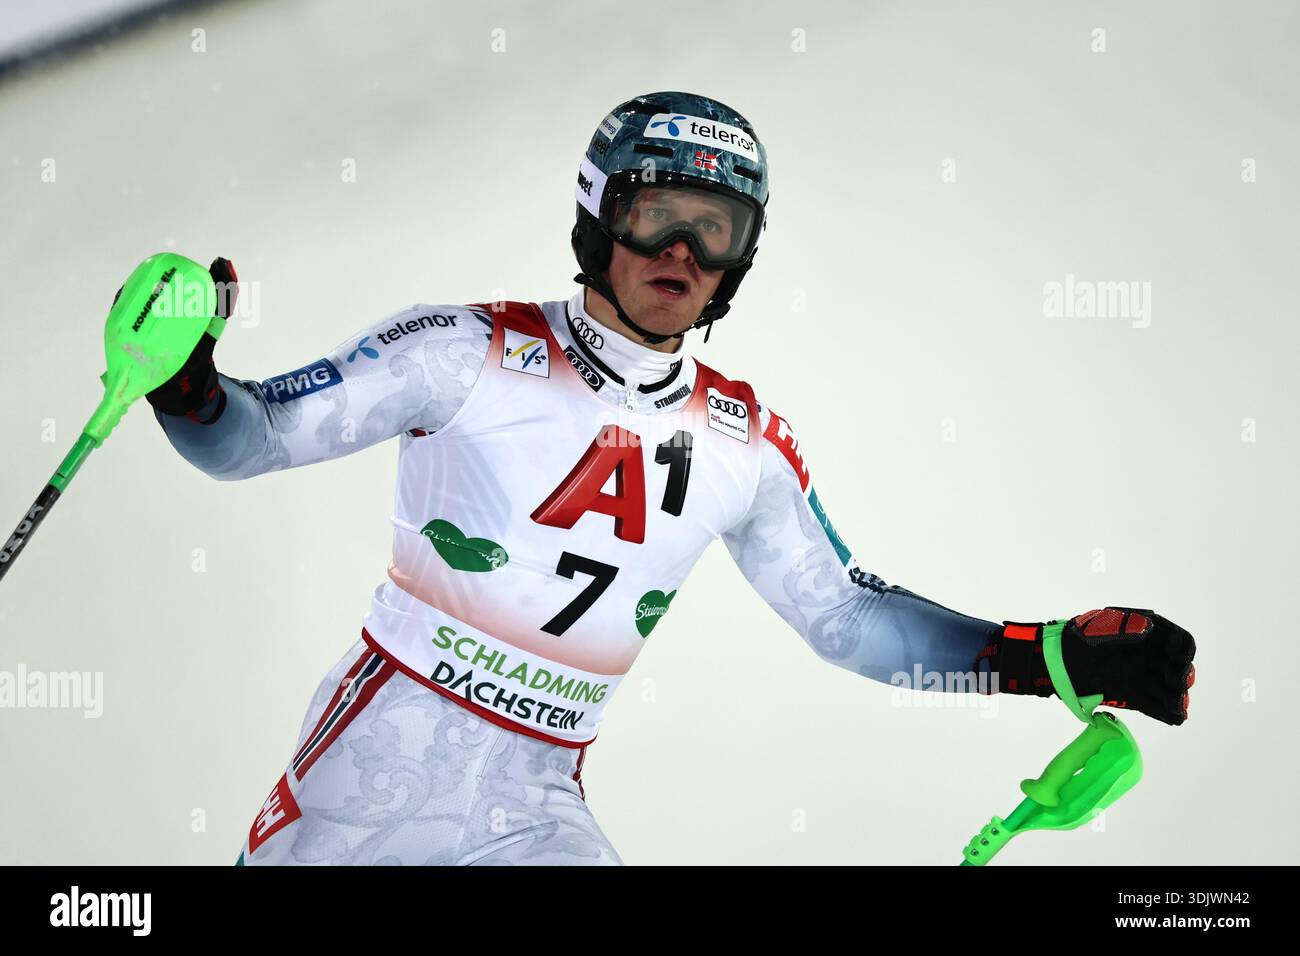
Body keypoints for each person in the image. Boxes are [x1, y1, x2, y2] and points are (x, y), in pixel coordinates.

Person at [147, 92, 1196, 866]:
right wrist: (187, 384)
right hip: (365, 782)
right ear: (601, 214)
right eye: (660, 215)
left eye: (719, 230)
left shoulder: (745, 440)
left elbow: (846, 617)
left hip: (531, 807)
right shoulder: (458, 349)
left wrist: (1048, 656)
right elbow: (250, 441)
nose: (686, 251)